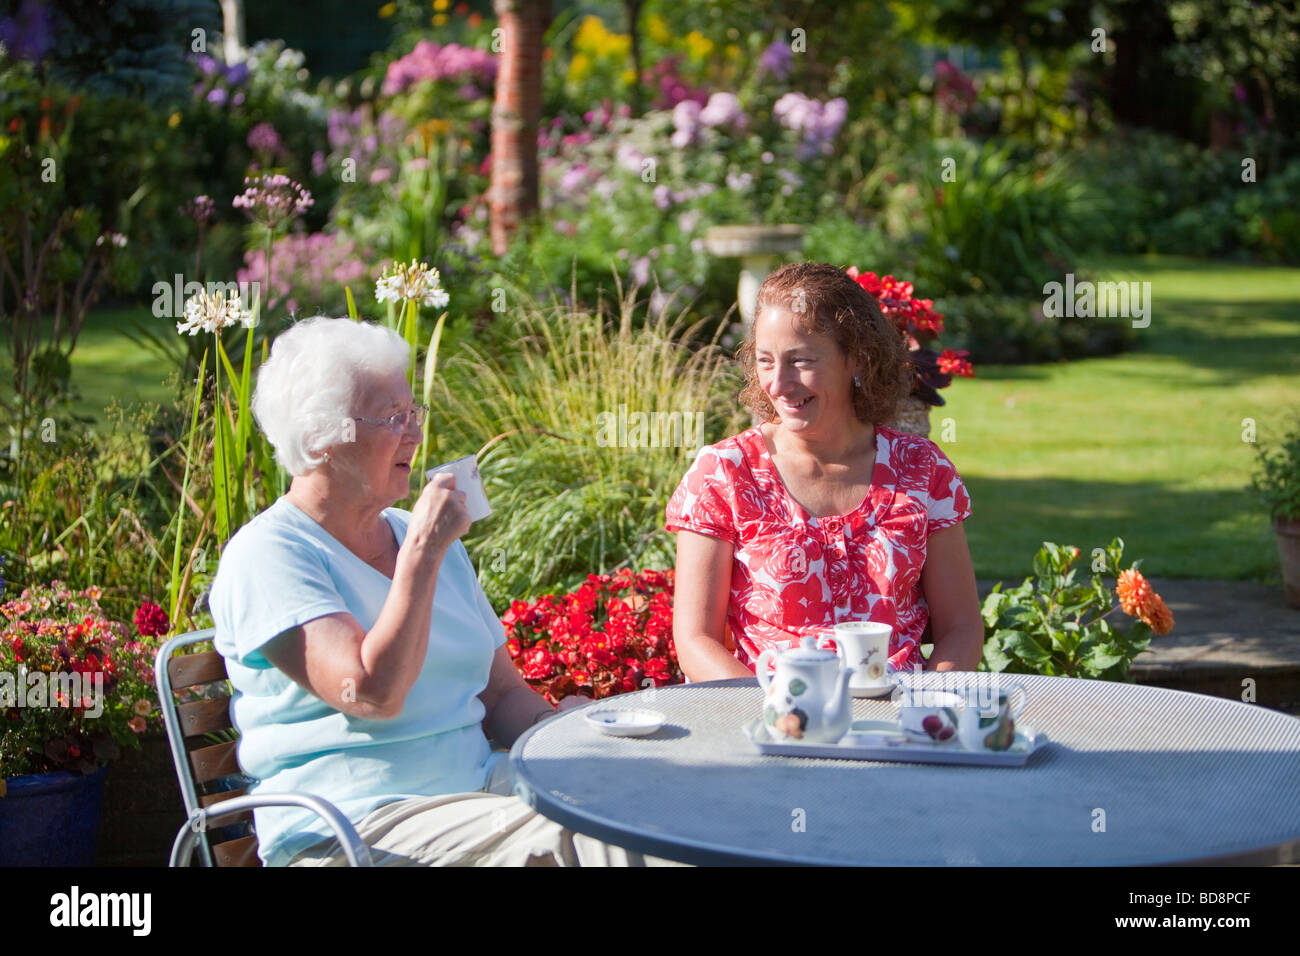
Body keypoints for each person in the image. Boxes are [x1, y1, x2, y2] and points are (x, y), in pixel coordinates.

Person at [209, 316, 672, 866]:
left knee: (658, 797)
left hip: (477, 795)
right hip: (357, 825)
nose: (415, 432)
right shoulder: (270, 554)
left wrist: (561, 731)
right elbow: (371, 692)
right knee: (599, 840)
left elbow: (499, 695)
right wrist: (422, 556)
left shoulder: (417, 535)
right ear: (321, 438)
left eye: (414, 413)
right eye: (392, 418)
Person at [666, 262, 983, 681]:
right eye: (765, 361)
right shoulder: (724, 474)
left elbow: (961, 629)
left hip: (897, 723)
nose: (778, 383)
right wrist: (777, 716)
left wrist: (929, 704)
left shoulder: (922, 469)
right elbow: (695, 640)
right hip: (768, 724)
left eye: (800, 361)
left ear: (856, 359)